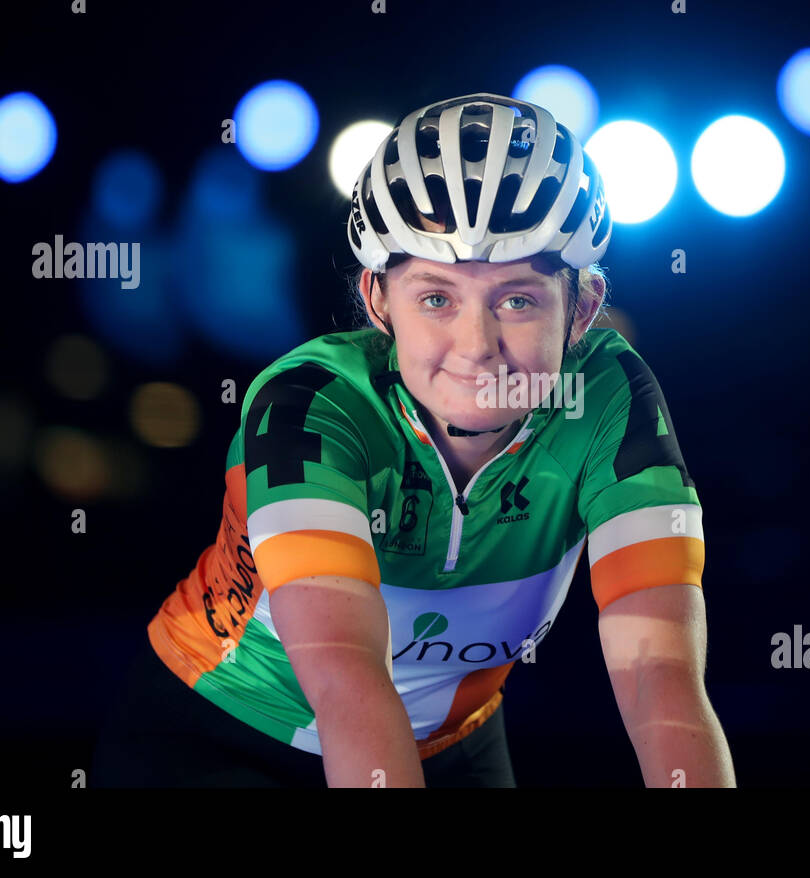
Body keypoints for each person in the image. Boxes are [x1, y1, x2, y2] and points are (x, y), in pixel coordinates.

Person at [92, 92, 735, 788]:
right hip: (218, 734)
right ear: (377, 302)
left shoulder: (609, 397)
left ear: (581, 309)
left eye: (518, 300)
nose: (476, 348)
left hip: (452, 739)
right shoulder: (309, 404)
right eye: (436, 299)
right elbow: (345, 677)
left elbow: (657, 670)